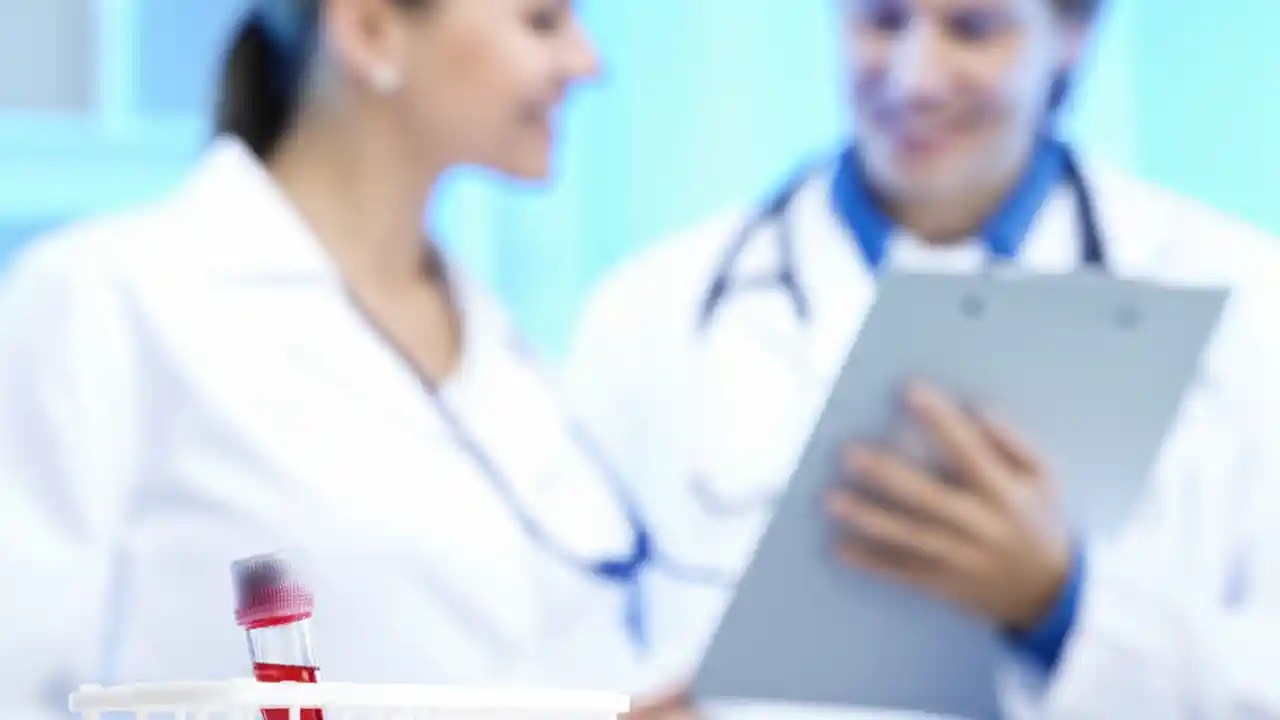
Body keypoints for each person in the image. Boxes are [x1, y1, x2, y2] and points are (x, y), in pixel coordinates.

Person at [569, 0, 1280, 716]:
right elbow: (573, 641)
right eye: (881, 21)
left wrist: (1059, 606)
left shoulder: (1244, 294)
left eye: (973, 30)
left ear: (1072, 34)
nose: (915, 80)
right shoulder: (653, 310)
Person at [0, 1, 659, 717]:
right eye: (540, 23)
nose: (586, 63)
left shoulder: (509, 358)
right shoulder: (110, 297)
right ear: (371, 29)